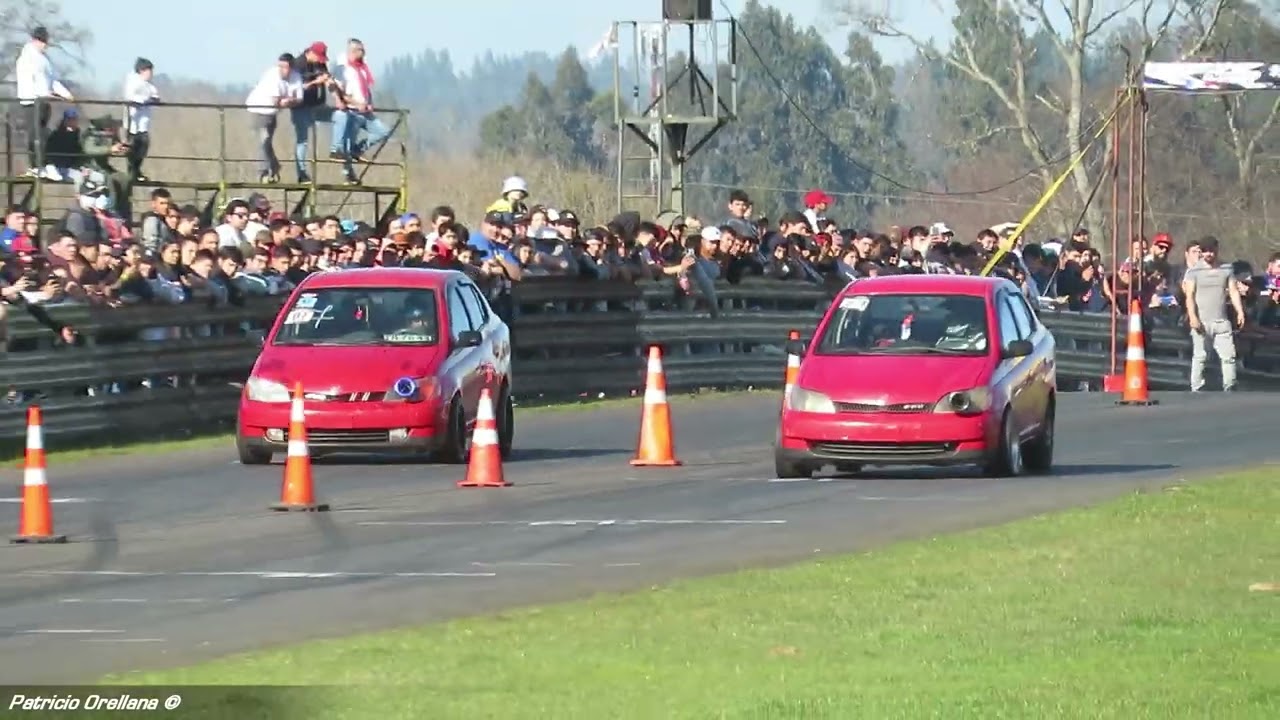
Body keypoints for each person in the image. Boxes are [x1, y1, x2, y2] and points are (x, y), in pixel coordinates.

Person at [1182, 236, 1245, 392]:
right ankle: (1196, 386)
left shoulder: (1227, 269)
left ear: (1217, 250)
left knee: (1228, 356)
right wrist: (1193, 317)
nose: (1209, 254)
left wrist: (1240, 311)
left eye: (1211, 250)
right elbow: (1189, 296)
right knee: (1200, 356)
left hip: (1221, 321)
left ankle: (1229, 384)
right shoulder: (1194, 271)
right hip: (1202, 320)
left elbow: (1233, 290)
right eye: (1205, 251)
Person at [14, 25, 73, 177]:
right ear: (34, 40)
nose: (44, 44)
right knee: (35, 135)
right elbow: (29, 82)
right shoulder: (26, 59)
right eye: (42, 41)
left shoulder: (44, 60)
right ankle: (35, 166)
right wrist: (43, 93)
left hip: (43, 101)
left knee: (41, 134)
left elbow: (52, 80)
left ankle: (40, 165)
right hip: (31, 101)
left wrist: (66, 94)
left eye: (45, 41)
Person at [330, 38, 391, 185]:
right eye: (361, 50)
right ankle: (349, 175)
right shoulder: (343, 69)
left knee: (383, 131)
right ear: (353, 51)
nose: (364, 53)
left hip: (365, 111)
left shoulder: (362, 68)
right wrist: (356, 104)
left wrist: (368, 103)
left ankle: (358, 150)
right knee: (346, 144)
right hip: (351, 112)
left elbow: (365, 89)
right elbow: (339, 92)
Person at [245, 53, 303, 184]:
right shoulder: (272, 76)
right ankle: (264, 173)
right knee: (262, 142)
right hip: (258, 110)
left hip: (272, 114)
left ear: (291, 67)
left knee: (267, 142)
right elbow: (277, 101)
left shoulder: (296, 76)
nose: (282, 70)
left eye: (285, 67)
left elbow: (299, 98)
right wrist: (287, 101)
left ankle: (274, 166)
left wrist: (289, 101)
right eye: (280, 66)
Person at [291, 42, 331, 183]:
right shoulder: (298, 65)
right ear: (311, 53)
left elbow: (327, 76)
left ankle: (337, 150)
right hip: (301, 106)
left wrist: (328, 81)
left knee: (340, 118)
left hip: (317, 105)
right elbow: (295, 88)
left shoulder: (319, 64)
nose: (320, 62)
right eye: (319, 57)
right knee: (303, 140)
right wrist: (315, 82)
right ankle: (301, 173)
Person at [123, 57, 161, 182]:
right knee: (133, 148)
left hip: (143, 123)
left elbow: (155, 96)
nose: (151, 74)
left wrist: (152, 100)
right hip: (133, 123)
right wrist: (142, 100)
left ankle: (136, 170)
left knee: (143, 146)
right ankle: (132, 172)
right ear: (142, 70)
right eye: (149, 71)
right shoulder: (133, 82)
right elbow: (129, 97)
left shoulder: (149, 86)